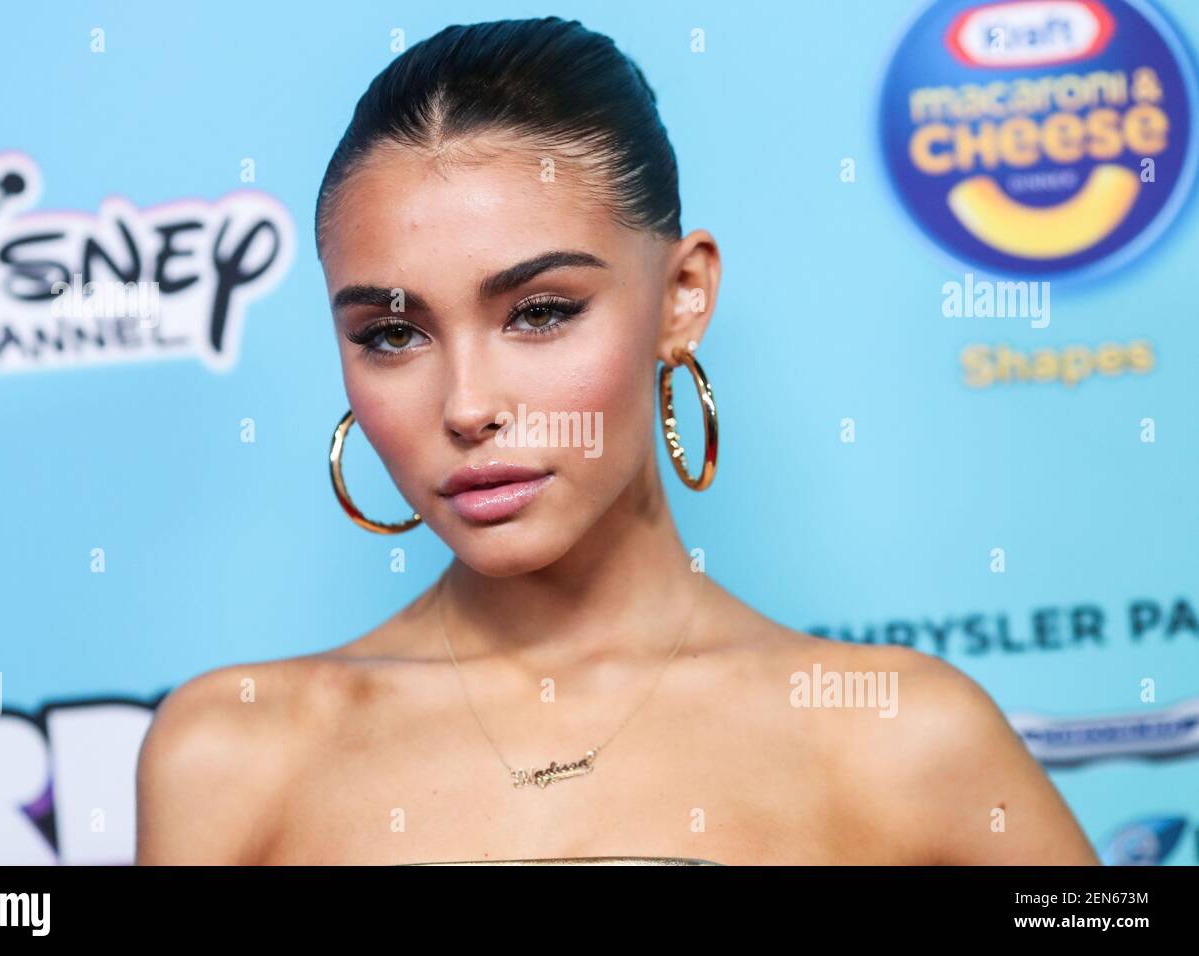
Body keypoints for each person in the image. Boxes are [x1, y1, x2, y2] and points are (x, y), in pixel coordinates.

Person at [134, 16, 1100, 866]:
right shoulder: (235, 753)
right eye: (393, 335)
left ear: (683, 298)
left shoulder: (899, 737)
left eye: (541, 311)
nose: (467, 405)